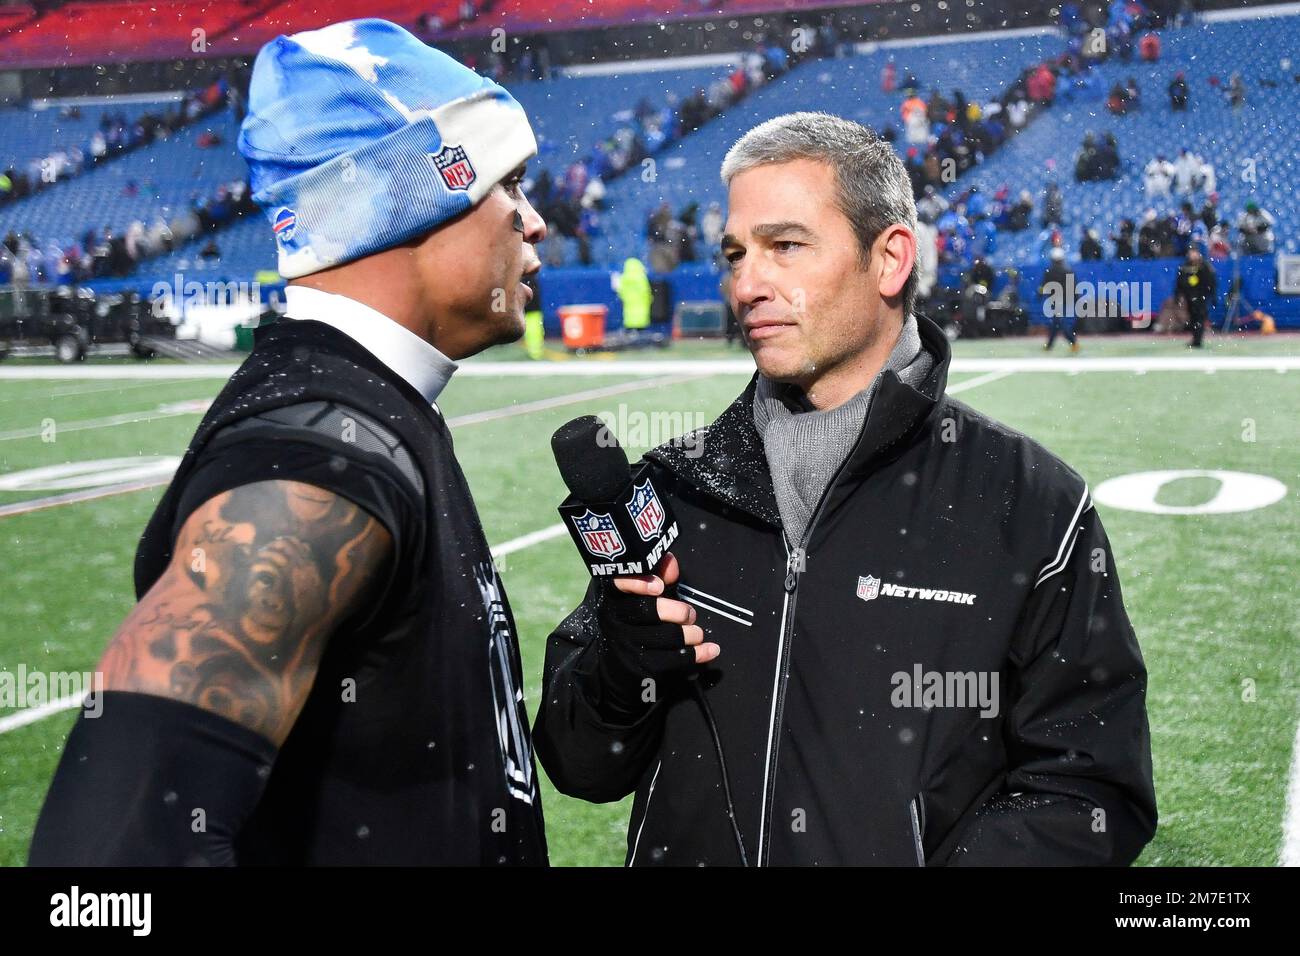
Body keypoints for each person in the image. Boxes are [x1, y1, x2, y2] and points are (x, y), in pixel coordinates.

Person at [533, 112, 1156, 866]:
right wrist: (621, 670)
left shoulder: (1032, 504)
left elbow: (1090, 792)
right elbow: (579, 764)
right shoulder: (674, 487)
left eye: (785, 246)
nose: (747, 283)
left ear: (890, 258)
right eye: (735, 254)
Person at [29, 19, 549, 866]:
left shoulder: (373, 409)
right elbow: (105, 862)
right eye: (512, 185)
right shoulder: (318, 458)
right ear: (422, 190)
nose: (534, 223)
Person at [1040, 246, 1080, 352]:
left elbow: (1043, 287)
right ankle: (1050, 345)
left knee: (1058, 323)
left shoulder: (1049, 271)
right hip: (1066, 300)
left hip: (1055, 301)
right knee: (1057, 323)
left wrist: (1040, 295)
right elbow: (1074, 287)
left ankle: (1073, 342)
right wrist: (1076, 300)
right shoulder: (1068, 270)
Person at [1176, 244, 1216, 347]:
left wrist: (1212, 295)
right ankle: (1195, 339)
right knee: (1193, 319)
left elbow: (1211, 282)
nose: (1193, 255)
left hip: (1201, 297)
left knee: (1199, 318)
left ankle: (1198, 340)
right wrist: (1178, 295)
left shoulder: (1204, 266)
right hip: (1189, 298)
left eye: (1194, 252)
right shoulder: (1185, 266)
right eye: (1191, 252)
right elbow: (1179, 282)